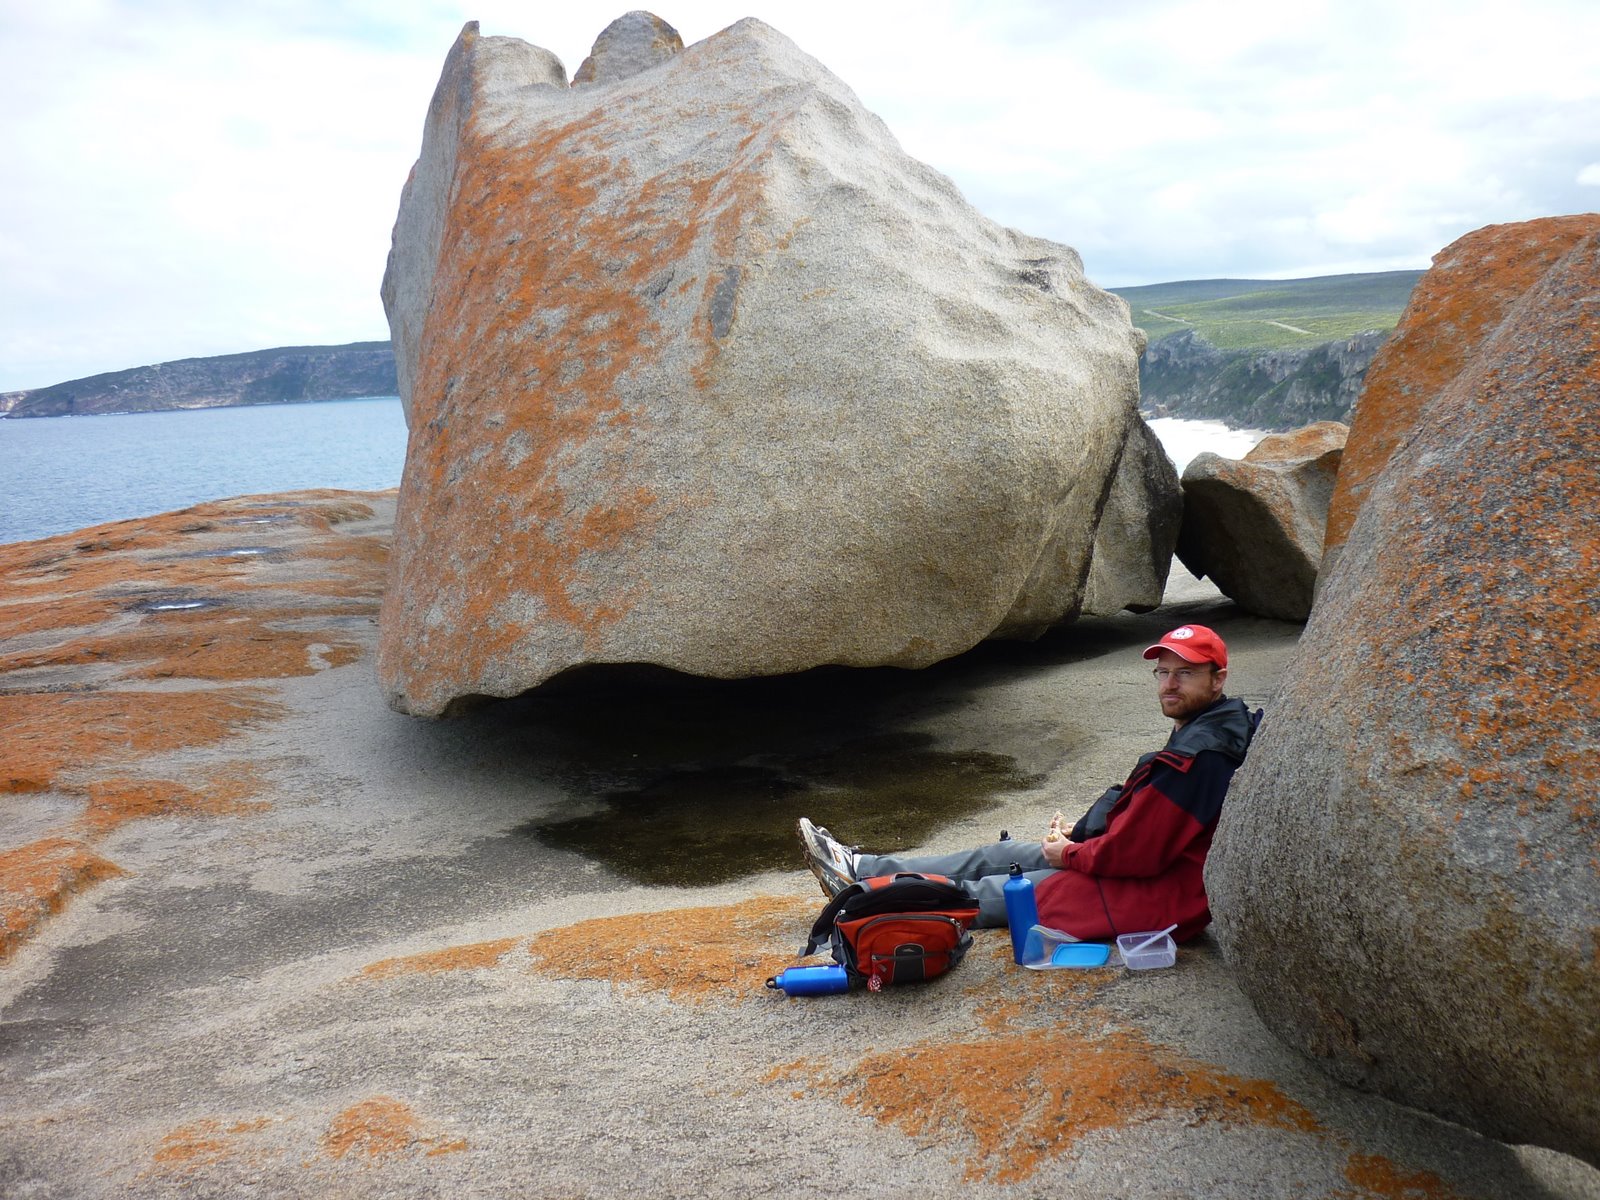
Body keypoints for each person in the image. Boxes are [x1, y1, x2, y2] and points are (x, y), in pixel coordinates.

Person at [797, 624, 1258, 944]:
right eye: (1164, 672)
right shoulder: (1209, 727)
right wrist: (1085, 832)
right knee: (997, 855)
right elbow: (1146, 820)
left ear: (1217, 679)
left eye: (1186, 673)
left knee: (993, 892)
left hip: (1150, 898)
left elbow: (1137, 856)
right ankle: (862, 867)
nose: (1170, 684)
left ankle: (864, 897)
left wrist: (1069, 853)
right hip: (1134, 871)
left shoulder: (1200, 756)